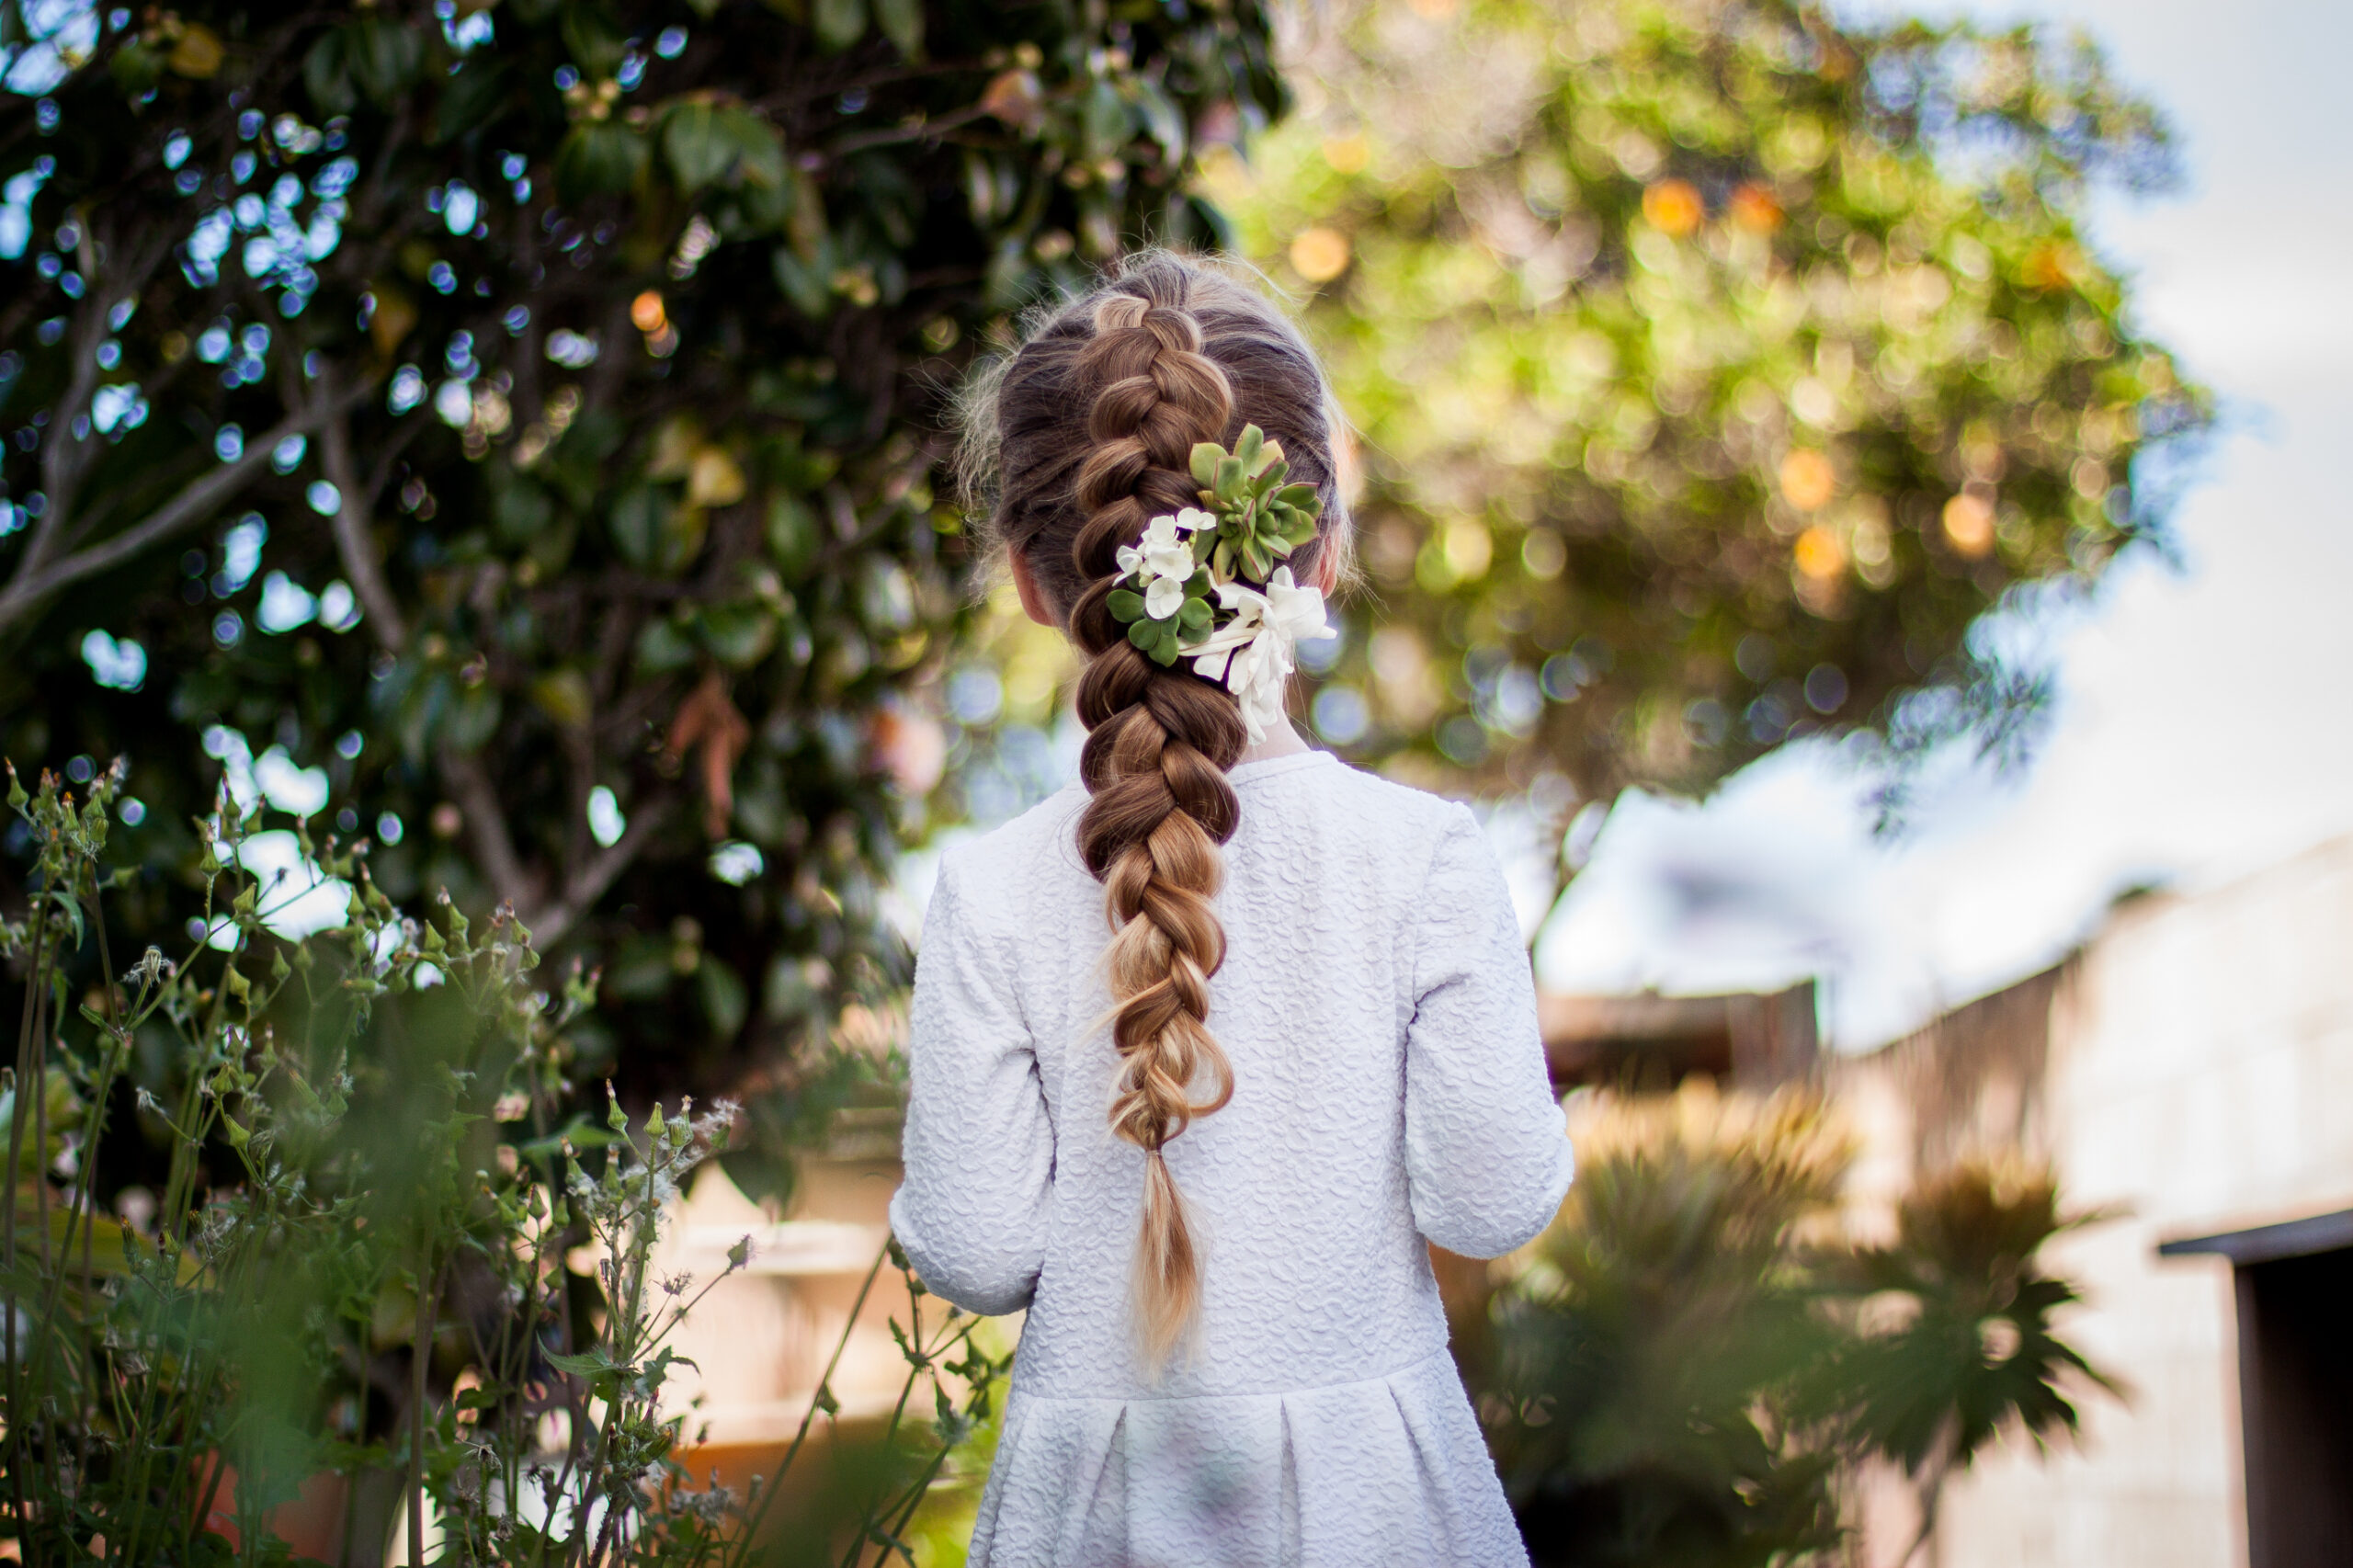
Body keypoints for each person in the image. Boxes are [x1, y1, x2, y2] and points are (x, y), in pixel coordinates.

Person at [890, 251, 1574, 1567]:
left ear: (1034, 582)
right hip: (1379, 1508)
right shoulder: (1423, 857)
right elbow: (1491, 1201)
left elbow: (974, 1249)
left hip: (1095, 1518)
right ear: (1323, 551)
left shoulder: (988, 892)